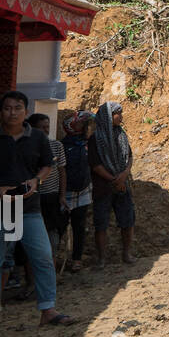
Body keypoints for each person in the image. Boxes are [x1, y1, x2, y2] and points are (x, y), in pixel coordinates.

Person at [0, 91, 77, 335]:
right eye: (7, 108)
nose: (12, 112)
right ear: (0, 112)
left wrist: (36, 181)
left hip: (29, 209)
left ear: (26, 111)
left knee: (43, 258)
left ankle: (48, 310)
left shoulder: (37, 137)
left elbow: (48, 165)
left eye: (17, 108)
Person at [89, 102, 136, 265]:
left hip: (122, 185)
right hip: (103, 187)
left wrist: (124, 175)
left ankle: (127, 254)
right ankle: (102, 258)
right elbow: (96, 165)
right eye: (118, 113)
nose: (121, 117)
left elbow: (129, 157)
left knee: (127, 221)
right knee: (101, 224)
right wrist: (114, 180)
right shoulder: (96, 139)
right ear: (108, 116)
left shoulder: (121, 135)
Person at [27, 114, 67, 270]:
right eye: (41, 127)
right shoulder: (25, 147)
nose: (45, 130)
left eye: (47, 127)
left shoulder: (56, 146)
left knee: (52, 238)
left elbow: (62, 172)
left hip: (51, 198)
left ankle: (51, 274)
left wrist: (62, 195)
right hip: (32, 198)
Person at [60, 112, 94, 273]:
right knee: (60, 227)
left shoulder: (86, 144)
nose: (84, 127)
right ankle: (56, 258)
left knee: (79, 226)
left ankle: (77, 259)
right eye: (81, 124)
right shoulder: (63, 146)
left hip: (83, 191)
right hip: (65, 193)